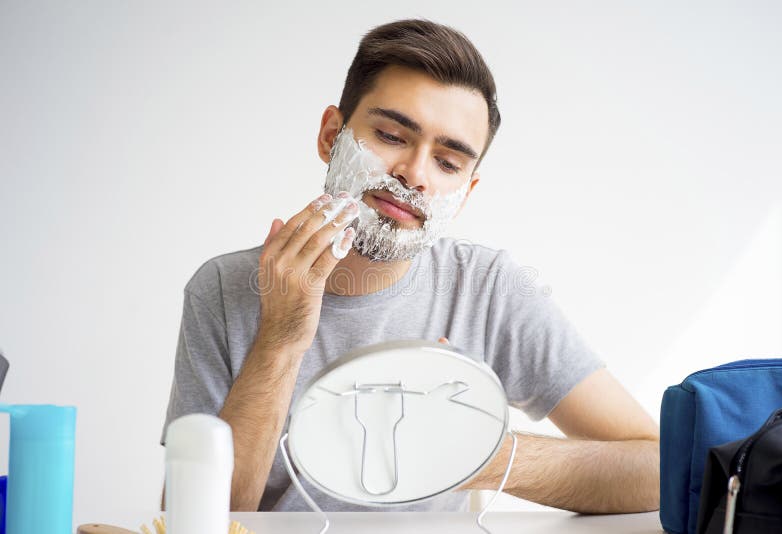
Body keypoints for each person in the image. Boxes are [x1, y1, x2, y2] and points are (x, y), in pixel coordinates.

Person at [161, 18, 659, 513]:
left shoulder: (488, 290)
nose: (415, 174)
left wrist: (480, 451)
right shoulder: (224, 289)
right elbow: (195, 519)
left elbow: (658, 472)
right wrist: (281, 339)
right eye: (391, 135)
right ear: (331, 135)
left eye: (448, 163)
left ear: (465, 193)